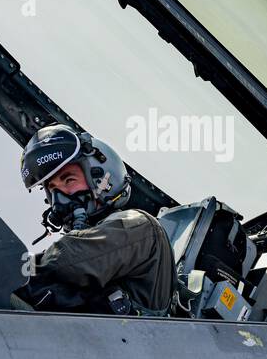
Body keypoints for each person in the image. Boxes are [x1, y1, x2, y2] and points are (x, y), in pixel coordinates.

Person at [13, 124, 174, 315]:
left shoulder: (139, 226)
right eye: (52, 189)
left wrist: (12, 267)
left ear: (102, 179)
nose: (60, 197)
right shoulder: (72, 266)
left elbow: (68, 259)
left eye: (68, 180)